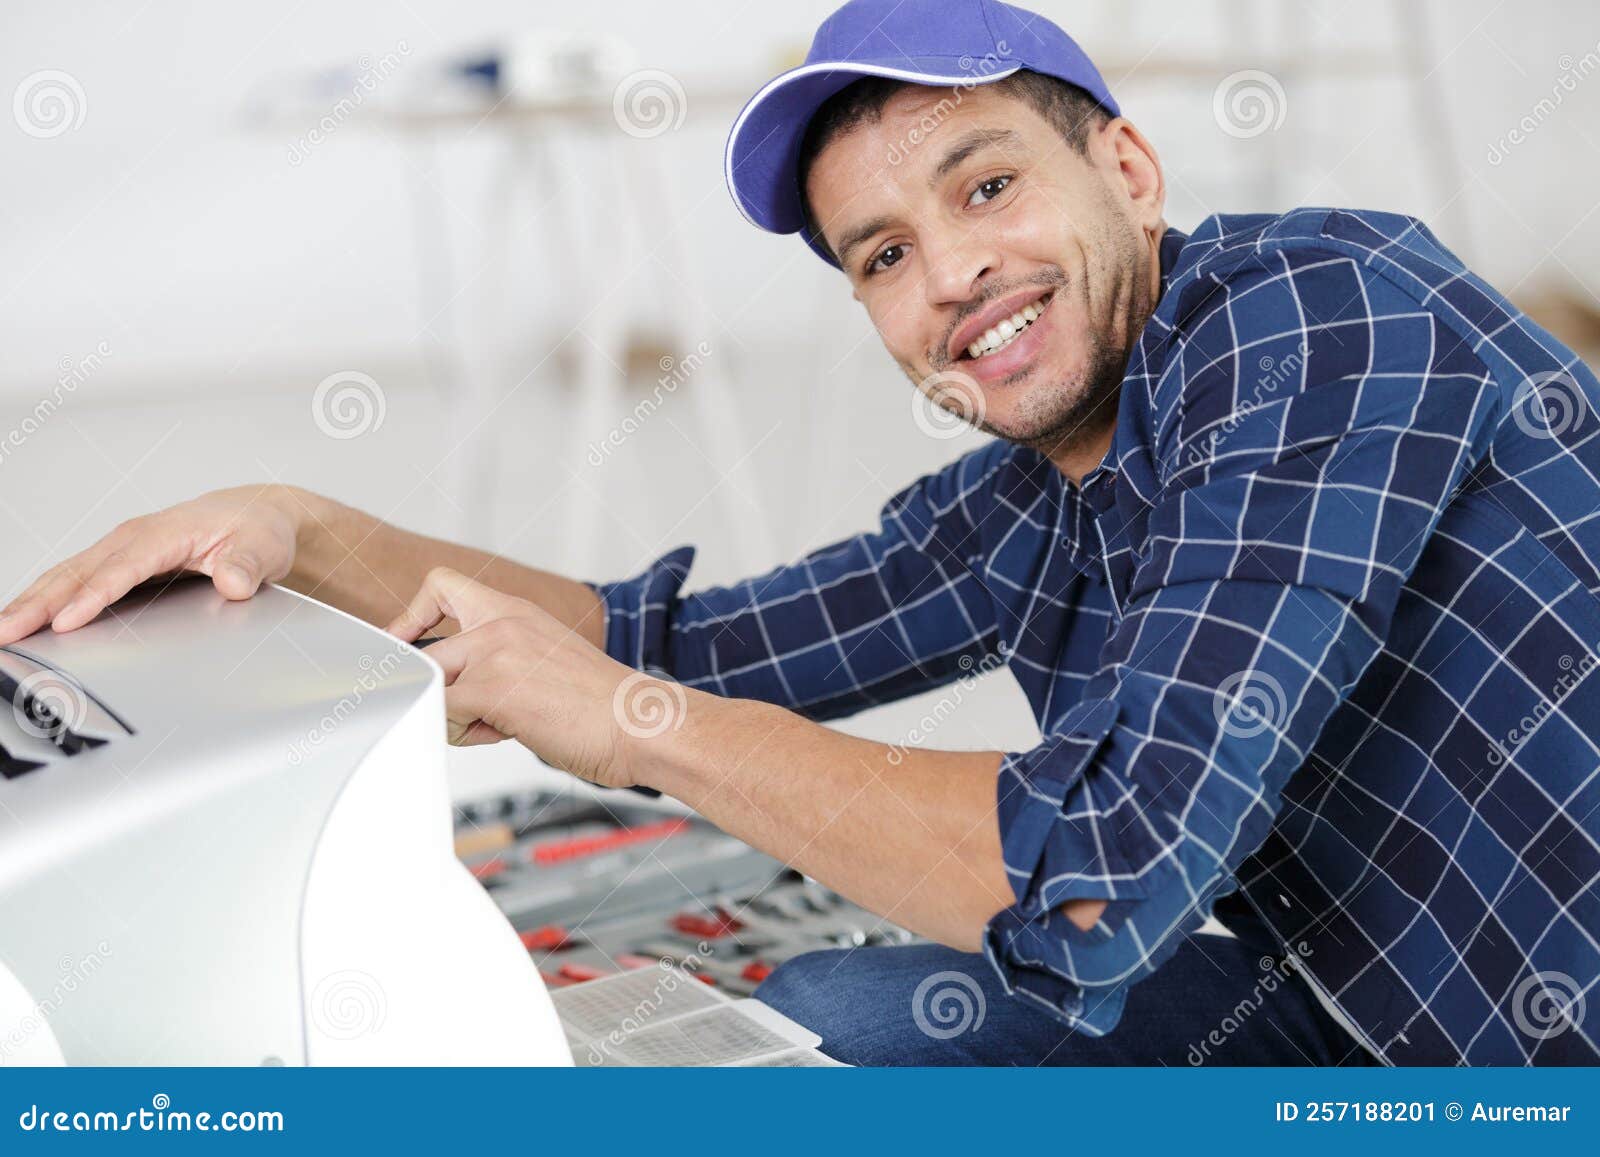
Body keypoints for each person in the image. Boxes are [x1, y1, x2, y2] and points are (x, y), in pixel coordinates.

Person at [4, 0, 1597, 1066]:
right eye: (884, 254)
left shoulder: (1320, 314)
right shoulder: (1030, 494)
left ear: (1126, 166)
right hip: (1359, 993)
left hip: (1544, 1038)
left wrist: (643, 730)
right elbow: (657, 644)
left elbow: (1110, 867)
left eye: (985, 187)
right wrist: (299, 523)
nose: (951, 276)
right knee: (823, 1020)